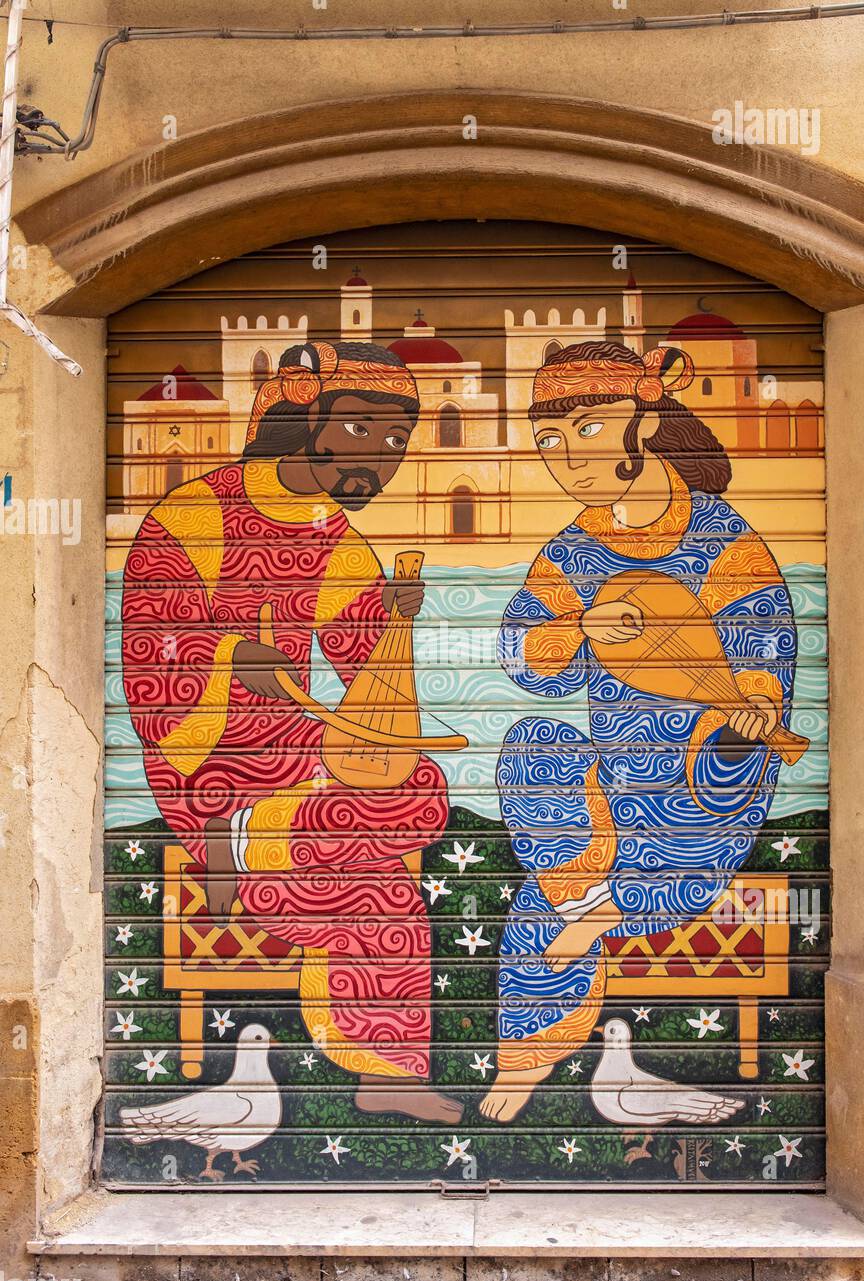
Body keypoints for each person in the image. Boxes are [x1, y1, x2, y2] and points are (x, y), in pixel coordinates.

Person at [123, 340, 462, 1123]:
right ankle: (228, 839)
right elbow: (147, 651)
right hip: (210, 769)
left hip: (303, 763)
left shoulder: (335, 535)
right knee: (372, 862)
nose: (379, 458)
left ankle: (380, 1070)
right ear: (303, 414)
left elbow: (364, 684)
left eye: (394, 441)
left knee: (417, 791)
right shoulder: (193, 516)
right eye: (362, 432)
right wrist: (228, 654)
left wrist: (394, 630)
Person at [481, 340, 796, 1122]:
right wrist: (579, 625)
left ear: (648, 417)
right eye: (549, 442)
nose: (566, 460)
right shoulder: (572, 550)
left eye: (587, 430)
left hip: (696, 790)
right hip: (606, 798)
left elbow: (762, 662)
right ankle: (586, 907)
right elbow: (521, 657)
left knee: (643, 846)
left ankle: (612, 901)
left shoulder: (728, 545)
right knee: (531, 749)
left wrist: (740, 722)